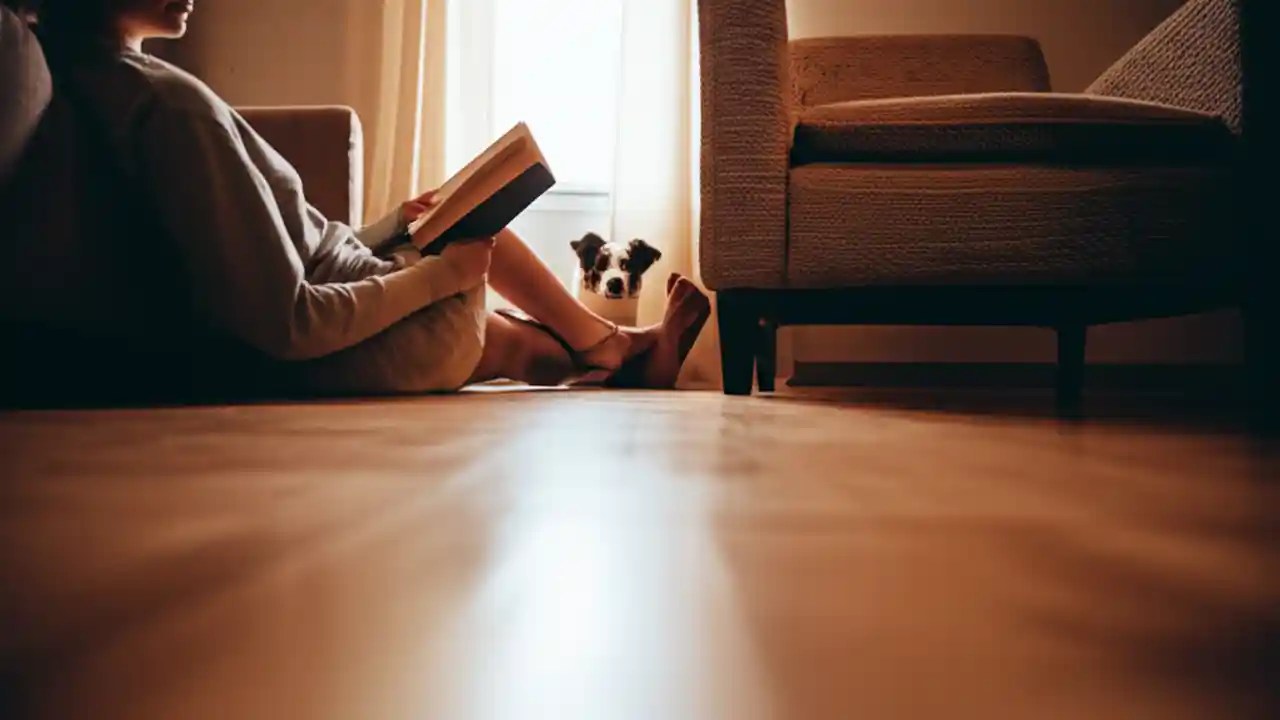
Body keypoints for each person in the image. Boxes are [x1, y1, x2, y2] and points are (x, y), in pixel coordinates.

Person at [1, 0, 710, 402]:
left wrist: (388, 228)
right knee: (484, 287)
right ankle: (615, 353)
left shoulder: (111, 78)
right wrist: (438, 275)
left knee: (465, 250)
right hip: (309, 334)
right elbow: (289, 318)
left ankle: (611, 357)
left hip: (329, 280)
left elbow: (279, 244)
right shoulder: (166, 109)